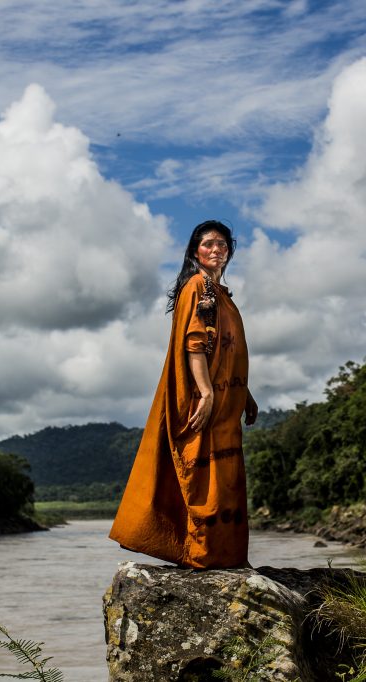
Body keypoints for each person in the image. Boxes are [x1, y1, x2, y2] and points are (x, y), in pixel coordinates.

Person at [109, 220, 258, 569]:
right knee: (204, 482)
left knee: (227, 483)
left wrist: (246, 396)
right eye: (208, 244)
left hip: (227, 407)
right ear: (195, 252)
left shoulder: (221, 294)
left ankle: (227, 558)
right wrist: (205, 393)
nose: (216, 249)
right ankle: (202, 557)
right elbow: (195, 344)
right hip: (206, 402)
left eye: (222, 244)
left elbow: (226, 353)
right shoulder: (198, 287)